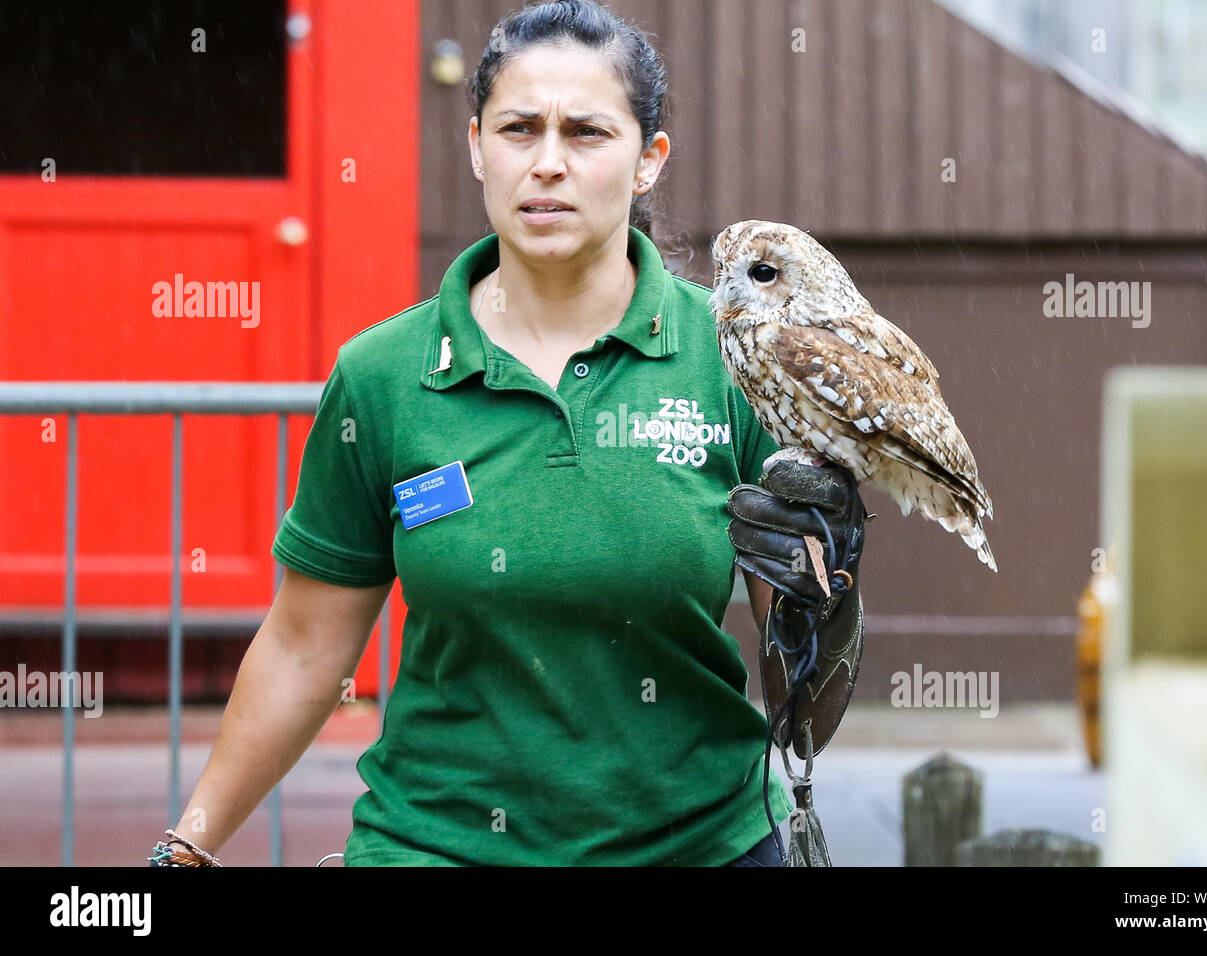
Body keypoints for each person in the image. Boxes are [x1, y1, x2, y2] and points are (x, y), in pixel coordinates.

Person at [148, 0, 864, 868]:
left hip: (699, 846)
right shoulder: (384, 375)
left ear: (648, 161)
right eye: (520, 129)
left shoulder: (732, 364)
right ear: (477, 146)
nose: (549, 164)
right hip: (435, 847)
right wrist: (184, 852)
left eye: (589, 133)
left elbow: (806, 716)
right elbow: (303, 646)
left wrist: (830, 600)